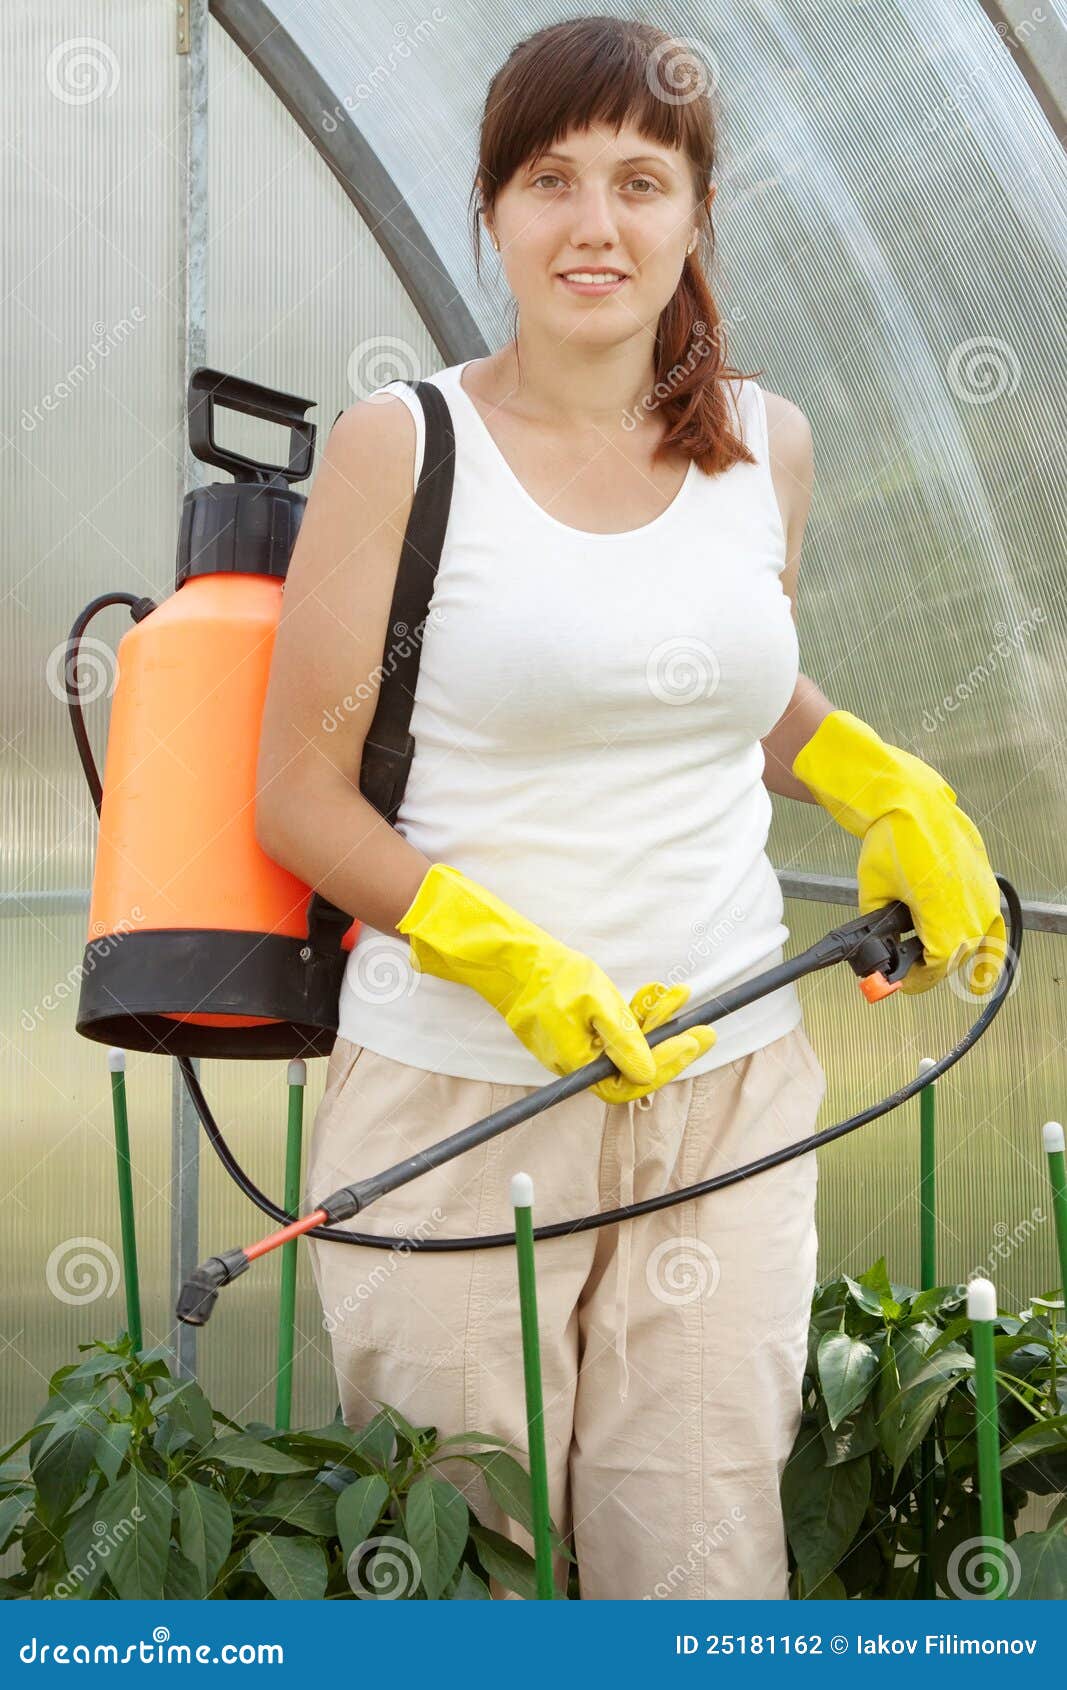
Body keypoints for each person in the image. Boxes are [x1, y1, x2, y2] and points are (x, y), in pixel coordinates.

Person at [255, 16, 1004, 1600]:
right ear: (492, 207)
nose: (595, 225)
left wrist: (881, 776)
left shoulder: (764, 448)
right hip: (469, 1100)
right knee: (472, 1558)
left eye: (639, 181)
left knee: (703, 1549)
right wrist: (505, 956)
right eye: (551, 179)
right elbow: (297, 794)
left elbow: (719, 697)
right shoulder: (407, 447)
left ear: (693, 213)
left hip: (725, 1074)